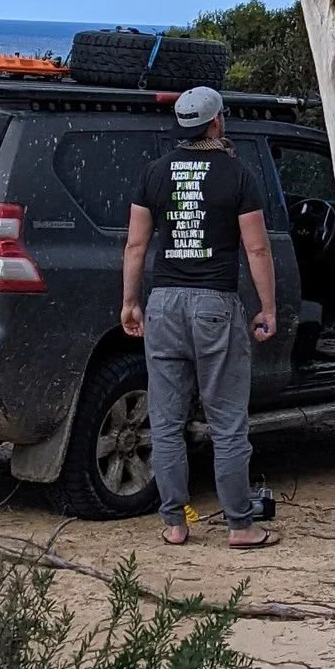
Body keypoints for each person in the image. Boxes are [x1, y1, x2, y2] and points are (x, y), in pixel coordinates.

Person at [123, 83, 281, 551]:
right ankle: (239, 526)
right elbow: (256, 247)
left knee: (166, 420)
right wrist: (266, 307)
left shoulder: (154, 172)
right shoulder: (237, 174)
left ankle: (174, 522)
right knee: (227, 421)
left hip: (164, 302)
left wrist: (130, 302)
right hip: (214, 303)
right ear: (217, 121)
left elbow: (135, 245)